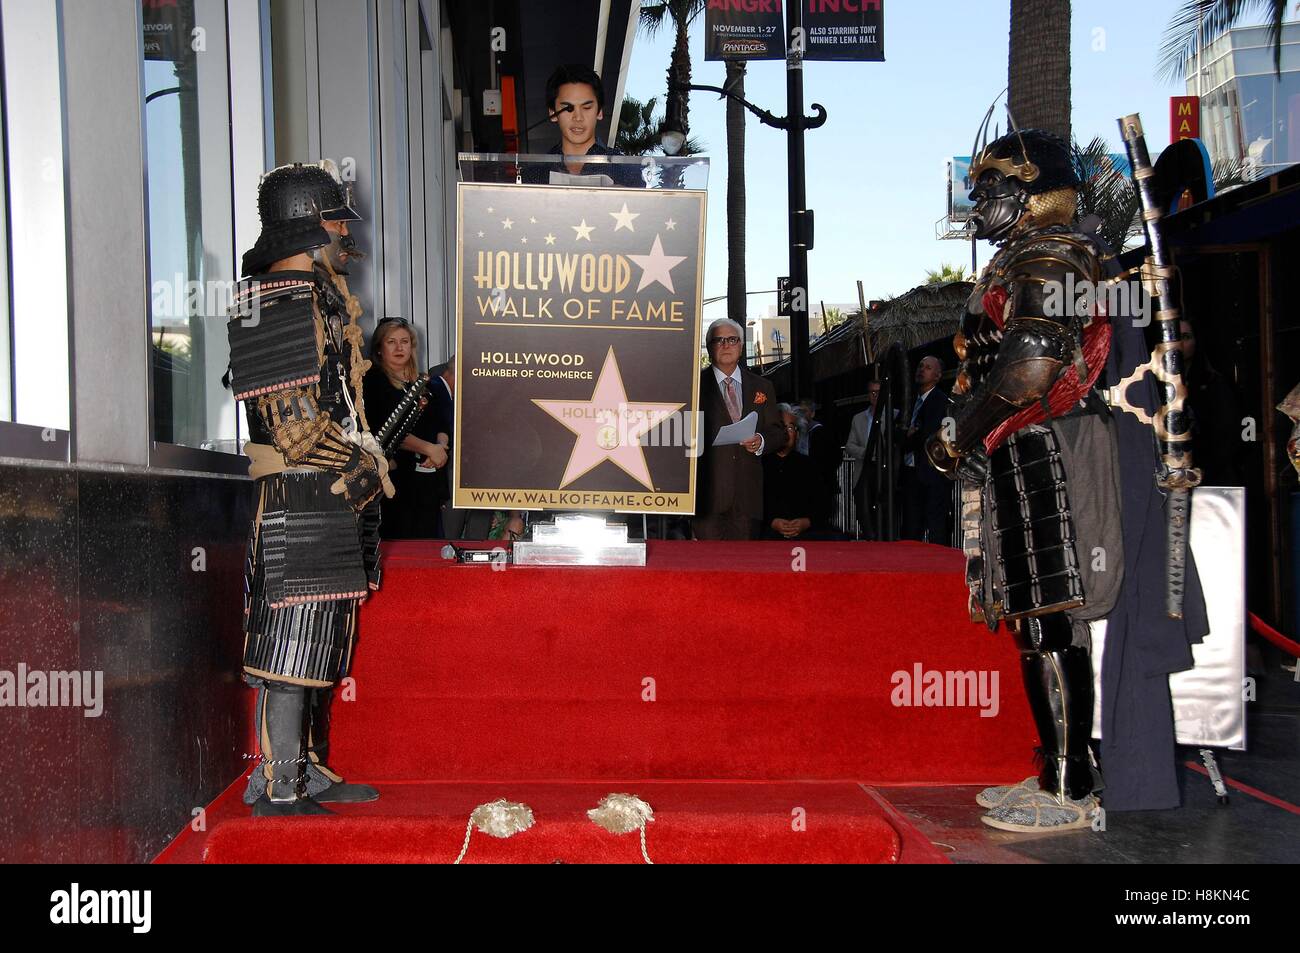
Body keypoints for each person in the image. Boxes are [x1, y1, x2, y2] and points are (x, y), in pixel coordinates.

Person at [925, 124, 1207, 831]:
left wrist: (962, 428)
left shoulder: (1050, 256)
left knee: (1051, 615)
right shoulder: (1024, 257)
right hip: (1022, 446)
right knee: (1037, 617)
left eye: (990, 186)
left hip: (1048, 446)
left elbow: (1029, 362)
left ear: (1028, 189)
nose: (977, 199)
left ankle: (1072, 784)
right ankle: (1057, 766)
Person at [228, 161, 387, 815]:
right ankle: (279, 783)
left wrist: (358, 464)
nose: (343, 233)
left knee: (322, 635)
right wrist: (359, 464)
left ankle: (307, 767)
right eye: (333, 218)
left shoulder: (314, 295)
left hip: (322, 496)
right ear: (307, 222)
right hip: (298, 495)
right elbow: (292, 430)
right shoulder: (276, 299)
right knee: (291, 641)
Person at [694, 318, 787, 541]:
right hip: (707, 497)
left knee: (745, 570)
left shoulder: (763, 386)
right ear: (709, 347)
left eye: (732, 339)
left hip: (747, 498)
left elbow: (778, 432)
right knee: (708, 569)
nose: (726, 345)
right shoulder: (694, 385)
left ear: (741, 346)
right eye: (719, 340)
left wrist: (761, 441)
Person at [362, 318, 446, 538]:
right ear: (380, 348)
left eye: (405, 341)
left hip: (428, 481)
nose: (399, 348)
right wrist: (429, 449)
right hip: (396, 483)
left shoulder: (422, 382)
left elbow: (440, 422)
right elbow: (382, 429)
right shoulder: (373, 381)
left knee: (427, 548)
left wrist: (440, 448)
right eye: (391, 342)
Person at [520, 64, 643, 188]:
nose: (578, 117)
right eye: (568, 109)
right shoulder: (534, 174)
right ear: (553, 113)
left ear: (599, 112)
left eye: (587, 107)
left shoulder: (625, 170)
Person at [899, 356, 952, 543]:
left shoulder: (940, 401)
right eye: (920, 365)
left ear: (937, 376)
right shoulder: (911, 399)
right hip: (911, 471)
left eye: (928, 367)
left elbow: (927, 435)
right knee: (911, 526)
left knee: (935, 526)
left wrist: (911, 436)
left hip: (932, 474)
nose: (921, 369)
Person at [763, 405, 833, 540]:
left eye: (790, 428)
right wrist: (772, 522)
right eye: (780, 427)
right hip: (766, 536)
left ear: (798, 434)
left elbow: (824, 504)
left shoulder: (810, 466)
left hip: (806, 536)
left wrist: (807, 522)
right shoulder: (758, 466)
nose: (784, 433)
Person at [845, 378, 888, 539]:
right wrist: (867, 452)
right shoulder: (858, 418)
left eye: (878, 392)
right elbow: (849, 445)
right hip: (864, 467)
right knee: (864, 508)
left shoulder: (893, 415)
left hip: (884, 469)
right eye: (872, 392)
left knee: (884, 508)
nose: (875, 395)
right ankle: (870, 537)